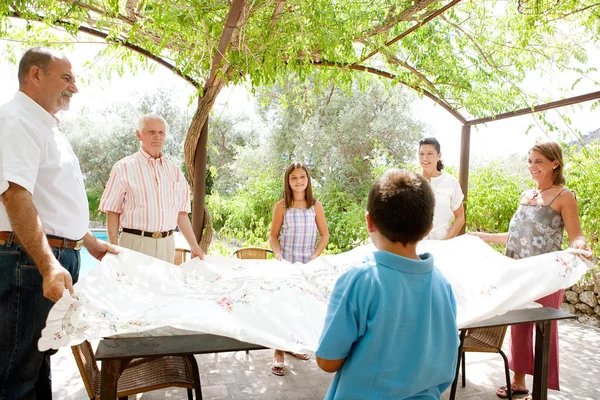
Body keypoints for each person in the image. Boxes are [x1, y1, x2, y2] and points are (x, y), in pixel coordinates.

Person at [0, 47, 117, 399]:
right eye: (66, 78)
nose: (75, 88)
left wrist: (91, 243)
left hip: (44, 260)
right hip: (29, 262)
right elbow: (15, 195)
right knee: (14, 377)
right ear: (35, 74)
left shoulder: (45, 126)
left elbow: (52, 202)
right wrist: (49, 265)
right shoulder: (16, 121)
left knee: (36, 366)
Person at [315, 169, 459, 399]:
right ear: (429, 227)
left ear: (369, 221)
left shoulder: (361, 281)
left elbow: (327, 361)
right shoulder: (442, 284)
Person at [471, 141, 590, 400]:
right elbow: (517, 237)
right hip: (519, 272)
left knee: (545, 330)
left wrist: (580, 245)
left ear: (555, 163)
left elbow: (575, 235)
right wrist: (483, 236)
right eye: (529, 161)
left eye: (538, 161)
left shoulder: (564, 196)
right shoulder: (526, 195)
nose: (532, 166)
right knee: (518, 328)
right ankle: (518, 382)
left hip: (547, 275)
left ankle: (539, 392)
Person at [99, 114, 204, 263]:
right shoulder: (123, 168)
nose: (157, 137)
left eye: (161, 133)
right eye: (151, 132)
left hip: (167, 244)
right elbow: (112, 211)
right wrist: (114, 247)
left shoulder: (174, 171)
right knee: (133, 286)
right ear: (139, 135)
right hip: (134, 243)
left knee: (163, 287)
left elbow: (181, 214)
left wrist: (194, 246)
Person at [268, 162, 329, 376]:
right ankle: (279, 353)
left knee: (300, 306)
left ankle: (295, 346)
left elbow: (325, 235)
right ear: (288, 181)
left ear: (308, 179)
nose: (298, 181)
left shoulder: (315, 206)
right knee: (283, 306)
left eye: (302, 177)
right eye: (293, 178)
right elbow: (273, 236)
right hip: (286, 263)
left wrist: (315, 256)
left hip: (307, 264)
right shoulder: (282, 206)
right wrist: (277, 254)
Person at [418, 137, 465, 239]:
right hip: (415, 245)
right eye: (421, 154)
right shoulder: (412, 181)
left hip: (442, 244)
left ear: (439, 155)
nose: (425, 158)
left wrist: (444, 243)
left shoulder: (450, 181)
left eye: (430, 154)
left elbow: (460, 217)